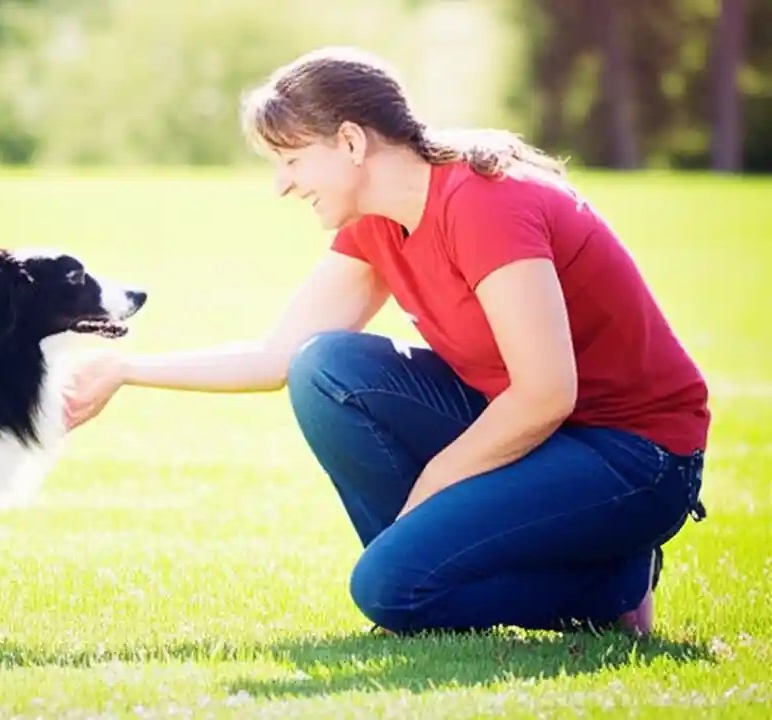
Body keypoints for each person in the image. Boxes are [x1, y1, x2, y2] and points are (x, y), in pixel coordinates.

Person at [61, 47, 709, 636]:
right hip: (546, 439)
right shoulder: (376, 224)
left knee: (385, 588)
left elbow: (545, 392)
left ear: (349, 142)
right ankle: (442, 578)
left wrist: (434, 486)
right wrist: (125, 367)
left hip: (636, 457)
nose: (282, 185)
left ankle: (614, 581)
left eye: (291, 160)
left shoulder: (485, 203)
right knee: (326, 368)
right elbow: (278, 357)